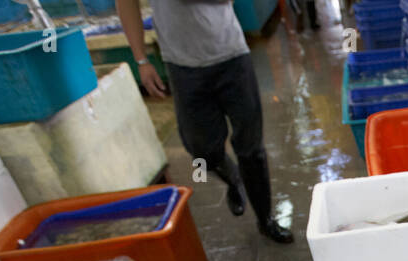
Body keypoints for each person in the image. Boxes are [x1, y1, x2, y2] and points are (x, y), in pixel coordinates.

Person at [117, 0, 293, 243]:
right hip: (182, 67)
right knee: (201, 150)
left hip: (231, 55)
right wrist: (141, 61)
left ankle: (265, 220)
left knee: (251, 147)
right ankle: (233, 180)